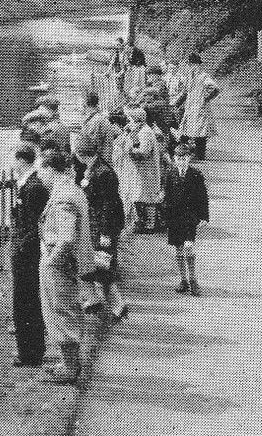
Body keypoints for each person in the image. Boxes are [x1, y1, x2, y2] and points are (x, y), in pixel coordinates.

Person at [37, 150, 96, 384]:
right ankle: (68, 361)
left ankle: (70, 368)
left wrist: (51, 260)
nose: (40, 175)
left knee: (61, 311)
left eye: (42, 169)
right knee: (63, 309)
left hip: (60, 262)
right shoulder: (72, 191)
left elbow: (67, 237)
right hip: (68, 261)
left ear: (51, 169)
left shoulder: (64, 197)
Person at [76, 144, 129, 320]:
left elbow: (108, 205)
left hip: (104, 226)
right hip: (97, 224)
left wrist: (105, 233)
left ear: (83, 155)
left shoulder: (103, 172)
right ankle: (102, 302)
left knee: (103, 264)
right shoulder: (94, 168)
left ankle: (117, 306)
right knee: (99, 264)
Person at [11, 145, 49, 368]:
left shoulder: (33, 187)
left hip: (27, 255)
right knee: (24, 301)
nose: (12, 165)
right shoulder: (27, 184)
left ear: (21, 160)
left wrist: (21, 247)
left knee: (26, 302)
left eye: (14, 160)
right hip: (24, 252)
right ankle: (29, 350)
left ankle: (30, 353)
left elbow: (37, 225)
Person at [163, 143, 211, 295]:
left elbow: (203, 197)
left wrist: (204, 216)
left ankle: (193, 280)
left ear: (189, 158)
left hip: (190, 218)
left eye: (184, 158)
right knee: (178, 248)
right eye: (178, 158)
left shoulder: (196, 175)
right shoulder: (169, 174)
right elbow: (166, 195)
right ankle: (183, 279)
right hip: (175, 218)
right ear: (174, 158)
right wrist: (165, 212)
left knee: (189, 246)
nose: (181, 161)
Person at [124, 107, 166, 233]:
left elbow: (144, 152)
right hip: (144, 171)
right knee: (143, 196)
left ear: (137, 120)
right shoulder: (141, 129)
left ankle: (150, 225)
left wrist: (130, 150)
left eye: (130, 119)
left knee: (149, 199)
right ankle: (143, 222)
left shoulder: (145, 133)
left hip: (148, 172)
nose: (129, 121)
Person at [174, 53, 220, 161]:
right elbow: (185, 92)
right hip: (190, 107)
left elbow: (215, 88)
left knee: (200, 132)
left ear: (198, 65)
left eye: (194, 65)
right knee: (186, 129)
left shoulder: (203, 77)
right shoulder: (189, 77)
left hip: (200, 107)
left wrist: (206, 98)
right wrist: (177, 103)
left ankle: (200, 155)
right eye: (190, 65)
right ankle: (185, 152)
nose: (192, 67)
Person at [75, 92, 122, 165]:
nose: (78, 107)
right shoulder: (98, 118)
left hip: (98, 166)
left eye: (79, 104)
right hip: (102, 163)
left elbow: (88, 147)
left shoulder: (95, 120)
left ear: (85, 104)